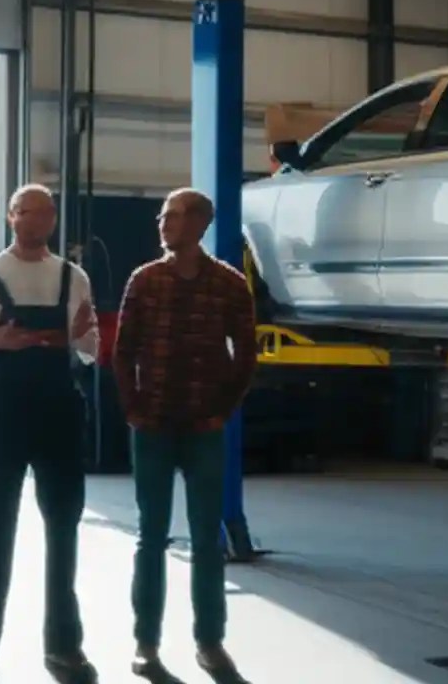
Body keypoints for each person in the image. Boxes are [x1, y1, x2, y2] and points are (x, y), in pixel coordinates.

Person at [0, 183, 100, 684]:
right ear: (12, 216)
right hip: (4, 415)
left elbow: (92, 350)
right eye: (29, 211)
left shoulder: (73, 277)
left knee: (63, 529)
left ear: (54, 219)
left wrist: (80, 337)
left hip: (60, 412)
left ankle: (64, 647)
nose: (39, 220)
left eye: (47, 212)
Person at [113, 188, 258, 683]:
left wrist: (222, 411)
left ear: (199, 224)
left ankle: (209, 643)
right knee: (149, 537)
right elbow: (122, 351)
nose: (162, 223)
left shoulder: (229, 285)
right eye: (161, 216)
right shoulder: (145, 281)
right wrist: (133, 409)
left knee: (205, 540)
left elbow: (246, 354)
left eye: (172, 216)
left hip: (203, 430)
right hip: (152, 427)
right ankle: (146, 644)